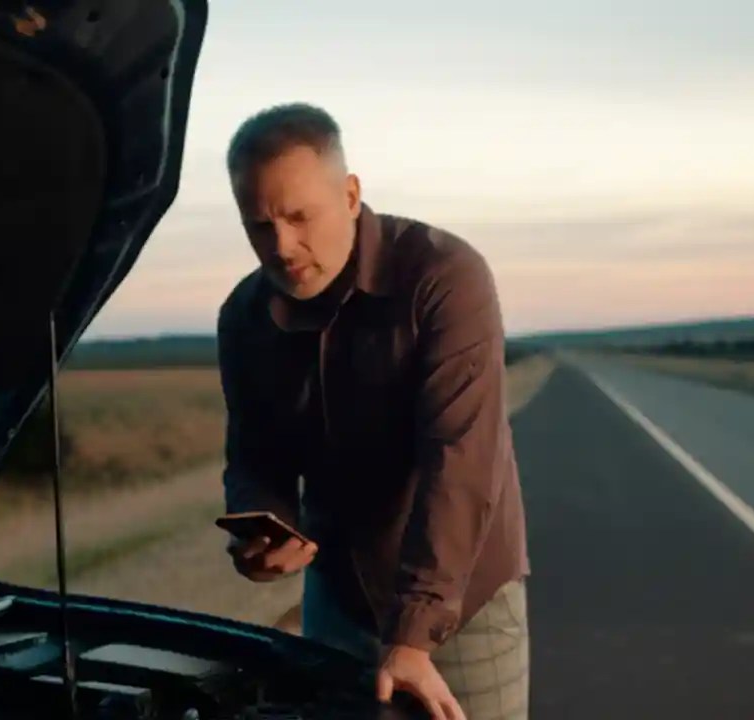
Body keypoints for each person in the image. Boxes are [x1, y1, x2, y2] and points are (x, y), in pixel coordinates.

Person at [216, 102, 531, 720]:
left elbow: (460, 465)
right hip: (338, 597)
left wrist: (413, 635)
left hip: (461, 604)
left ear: (351, 194)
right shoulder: (243, 316)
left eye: (299, 217)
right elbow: (254, 453)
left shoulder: (445, 276)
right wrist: (263, 528)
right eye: (258, 226)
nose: (281, 247)